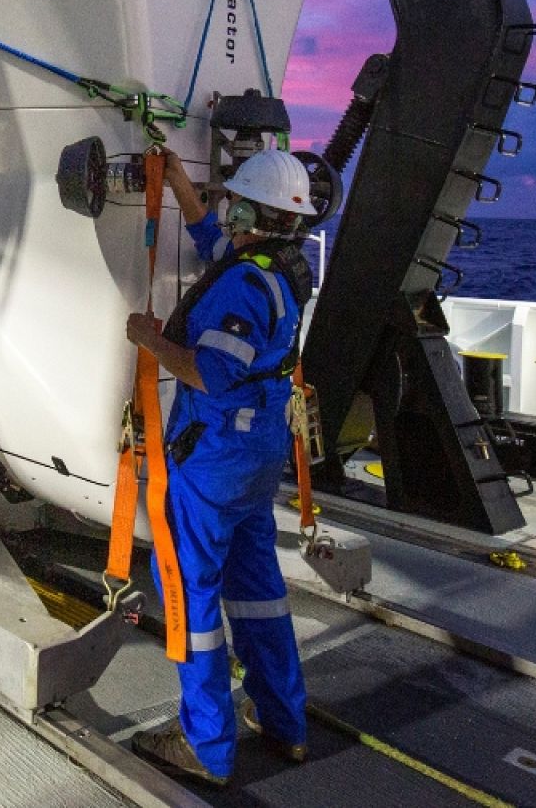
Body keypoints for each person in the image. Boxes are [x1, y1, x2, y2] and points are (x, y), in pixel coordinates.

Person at [124, 148, 313, 785]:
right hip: (258, 456)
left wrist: (149, 338)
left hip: (213, 461)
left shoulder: (243, 283)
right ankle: (284, 721)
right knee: (258, 590)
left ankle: (206, 746)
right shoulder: (279, 267)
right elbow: (215, 242)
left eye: (234, 199)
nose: (224, 208)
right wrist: (178, 183)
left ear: (253, 211)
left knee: (192, 591)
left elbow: (211, 370)